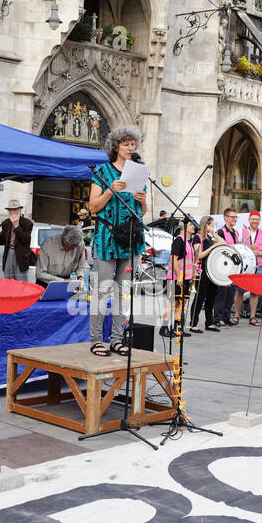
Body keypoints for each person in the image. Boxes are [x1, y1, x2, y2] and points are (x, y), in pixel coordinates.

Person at [86, 125, 147, 356]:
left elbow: (142, 210)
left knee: (125, 291)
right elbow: (93, 207)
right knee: (103, 290)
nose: (131, 148)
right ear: (116, 146)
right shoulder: (102, 171)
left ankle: (117, 339)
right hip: (107, 238)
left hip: (131, 239)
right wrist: (111, 190)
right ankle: (96, 340)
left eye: (133, 144)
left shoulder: (138, 171)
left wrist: (142, 200)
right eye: (126, 144)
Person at [162, 218, 199, 337]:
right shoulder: (179, 241)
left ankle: (177, 328)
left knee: (181, 303)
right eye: (191, 225)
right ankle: (164, 328)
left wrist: (192, 270)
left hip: (185, 279)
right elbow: (173, 259)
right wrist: (180, 276)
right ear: (184, 226)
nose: (193, 227)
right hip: (176, 278)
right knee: (172, 303)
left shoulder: (188, 242)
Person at [211, 207, 246, 327]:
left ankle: (226, 317)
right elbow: (219, 250)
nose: (234, 219)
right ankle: (217, 318)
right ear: (225, 217)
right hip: (223, 267)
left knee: (231, 293)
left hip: (233, 267)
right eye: (232, 217)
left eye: (236, 217)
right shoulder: (221, 232)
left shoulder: (236, 232)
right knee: (222, 293)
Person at [187, 216, 219, 332]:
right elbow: (198, 256)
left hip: (212, 271)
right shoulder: (197, 238)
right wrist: (212, 248)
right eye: (211, 225)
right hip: (202, 271)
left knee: (211, 298)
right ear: (205, 225)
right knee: (199, 298)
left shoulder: (210, 239)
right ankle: (193, 324)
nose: (212, 227)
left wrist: (215, 235)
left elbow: (223, 243)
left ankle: (209, 323)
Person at [242, 211, 262, 325]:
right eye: (253, 219)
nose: (255, 221)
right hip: (244, 265)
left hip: (257, 265)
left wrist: (258, 252)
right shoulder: (242, 231)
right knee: (239, 291)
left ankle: (252, 317)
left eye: (257, 219)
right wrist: (249, 247)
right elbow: (237, 247)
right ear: (249, 220)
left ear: (259, 221)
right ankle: (237, 316)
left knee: (254, 292)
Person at [0, 201, 34, 281]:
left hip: (21, 255)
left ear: (20, 210)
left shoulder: (27, 223)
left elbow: (25, 240)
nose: (13, 212)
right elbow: (2, 240)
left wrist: (17, 226)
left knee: (21, 280)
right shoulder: (5, 223)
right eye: (11, 210)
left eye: (15, 210)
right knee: (8, 279)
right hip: (9, 252)